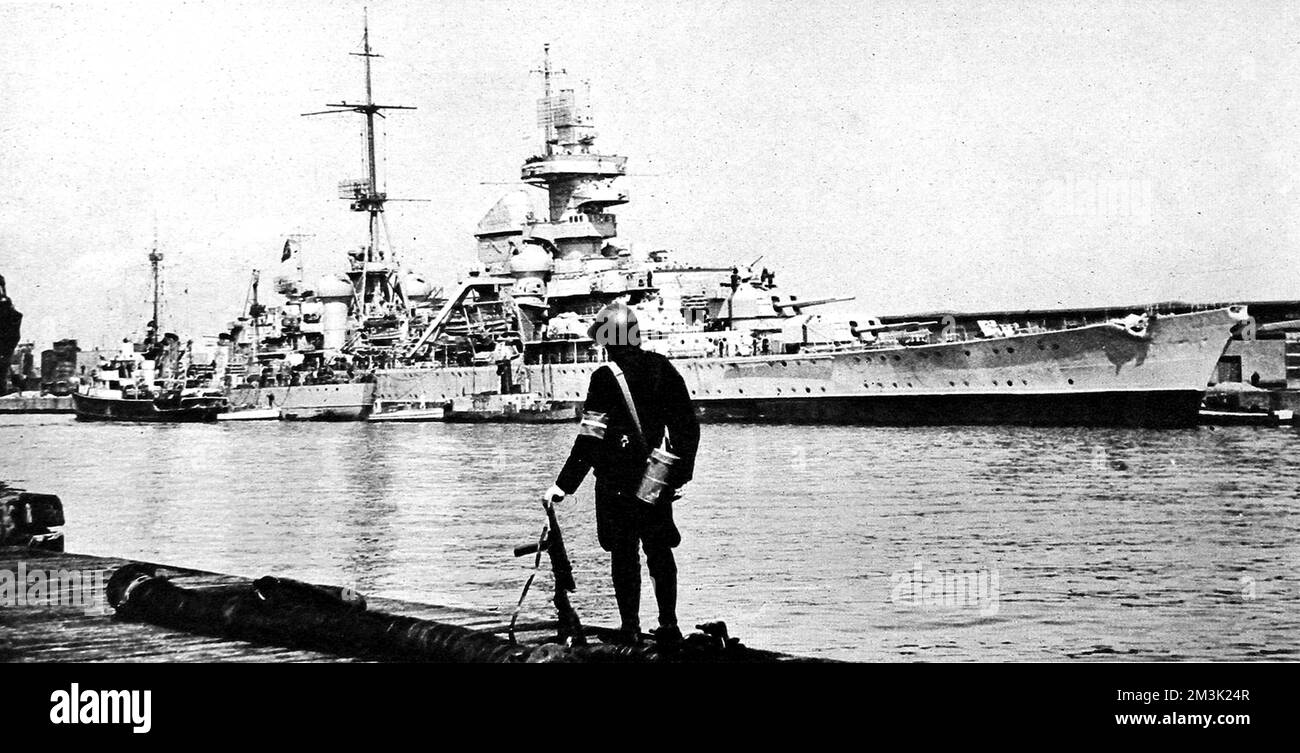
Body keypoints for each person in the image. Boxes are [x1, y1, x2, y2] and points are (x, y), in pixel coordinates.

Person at [544, 301, 700, 645]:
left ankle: (630, 627)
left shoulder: (604, 376)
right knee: (660, 552)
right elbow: (688, 427)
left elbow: (590, 438)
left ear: (607, 339)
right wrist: (676, 475)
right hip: (654, 482)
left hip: (616, 483)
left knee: (624, 554)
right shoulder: (662, 367)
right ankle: (669, 626)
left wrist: (562, 486)